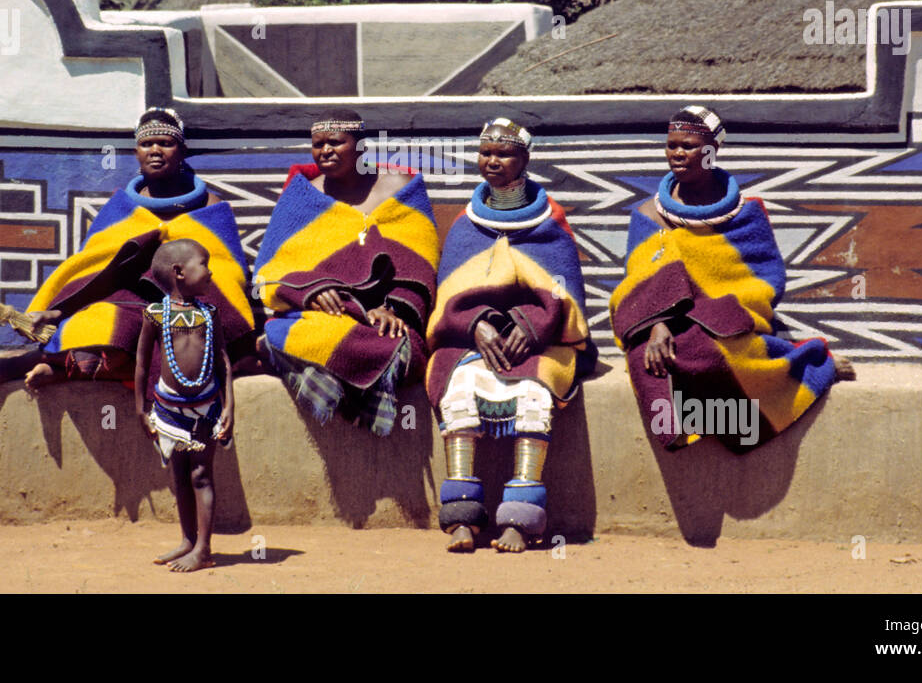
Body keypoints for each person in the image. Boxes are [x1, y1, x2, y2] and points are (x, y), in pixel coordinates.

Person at [609, 105, 854, 454]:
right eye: (671, 145)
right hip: (659, 324)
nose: (677, 153)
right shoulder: (649, 215)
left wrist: (710, 311)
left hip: (722, 319)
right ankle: (681, 428)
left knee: (708, 352)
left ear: (711, 151)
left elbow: (764, 279)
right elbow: (636, 283)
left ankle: (817, 368)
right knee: (647, 360)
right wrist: (657, 324)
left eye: (688, 146)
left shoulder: (745, 213)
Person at [0, 107, 254, 397]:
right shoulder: (120, 208)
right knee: (102, 325)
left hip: (182, 306)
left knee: (181, 344)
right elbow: (95, 268)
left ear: (181, 151)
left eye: (166, 144)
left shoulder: (209, 205)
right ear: (136, 153)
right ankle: (38, 362)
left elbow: (227, 270)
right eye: (146, 144)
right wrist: (58, 310)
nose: (155, 151)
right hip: (124, 300)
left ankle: (59, 368)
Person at [425, 118, 594, 553]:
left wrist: (532, 323)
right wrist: (474, 322)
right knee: (457, 390)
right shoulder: (466, 224)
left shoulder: (549, 222)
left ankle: (520, 519)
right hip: (470, 343)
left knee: (534, 395)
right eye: (485, 153)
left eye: (503, 153)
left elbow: (564, 291)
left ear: (525, 160)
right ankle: (462, 517)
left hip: (542, 342)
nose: (491, 161)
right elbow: (450, 294)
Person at [254, 110, 440, 436]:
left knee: (398, 345)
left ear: (361, 146)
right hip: (324, 313)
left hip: (381, 318)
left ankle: (340, 389)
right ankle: (329, 390)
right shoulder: (302, 195)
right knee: (288, 333)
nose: (325, 150)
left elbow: (421, 263)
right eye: (317, 144)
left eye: (336, 142)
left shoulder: (402, 188)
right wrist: (309, 289)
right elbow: (270, 270)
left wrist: (395, 308)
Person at [135, 239, 233, 572]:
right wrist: (140, 408)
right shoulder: (155, 314)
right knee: (179, 476)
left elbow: (221, 360)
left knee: (201, 475)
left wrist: (229, 407)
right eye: (204, 263)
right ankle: (188, 541)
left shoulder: (209, 314)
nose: (210, 271)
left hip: (205, 410)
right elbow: (141, 362)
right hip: (167, 409)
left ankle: (204, 550)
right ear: (179, 272)